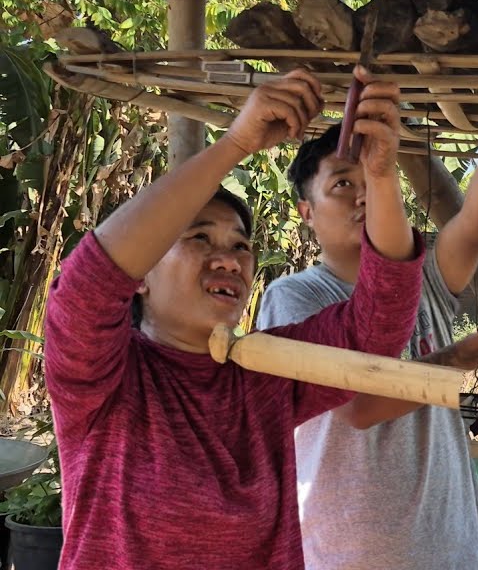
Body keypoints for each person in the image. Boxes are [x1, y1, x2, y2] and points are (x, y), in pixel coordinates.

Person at [44, 68, 425, 569]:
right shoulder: (100, 381)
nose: (229, 259)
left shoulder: (266, 378)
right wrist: (236, 143)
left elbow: (375, 331)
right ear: (141, 274)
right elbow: (87, 286)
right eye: (199, 237)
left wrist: (380, 178)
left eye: (241, 245)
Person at [258, 59, 478, 570]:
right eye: (343, 184)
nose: (364, 193)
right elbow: (360, 409)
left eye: (370, 177)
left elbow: (476, 222)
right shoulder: (296, 300)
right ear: (306, 212)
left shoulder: (423, 280)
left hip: (455, 551)